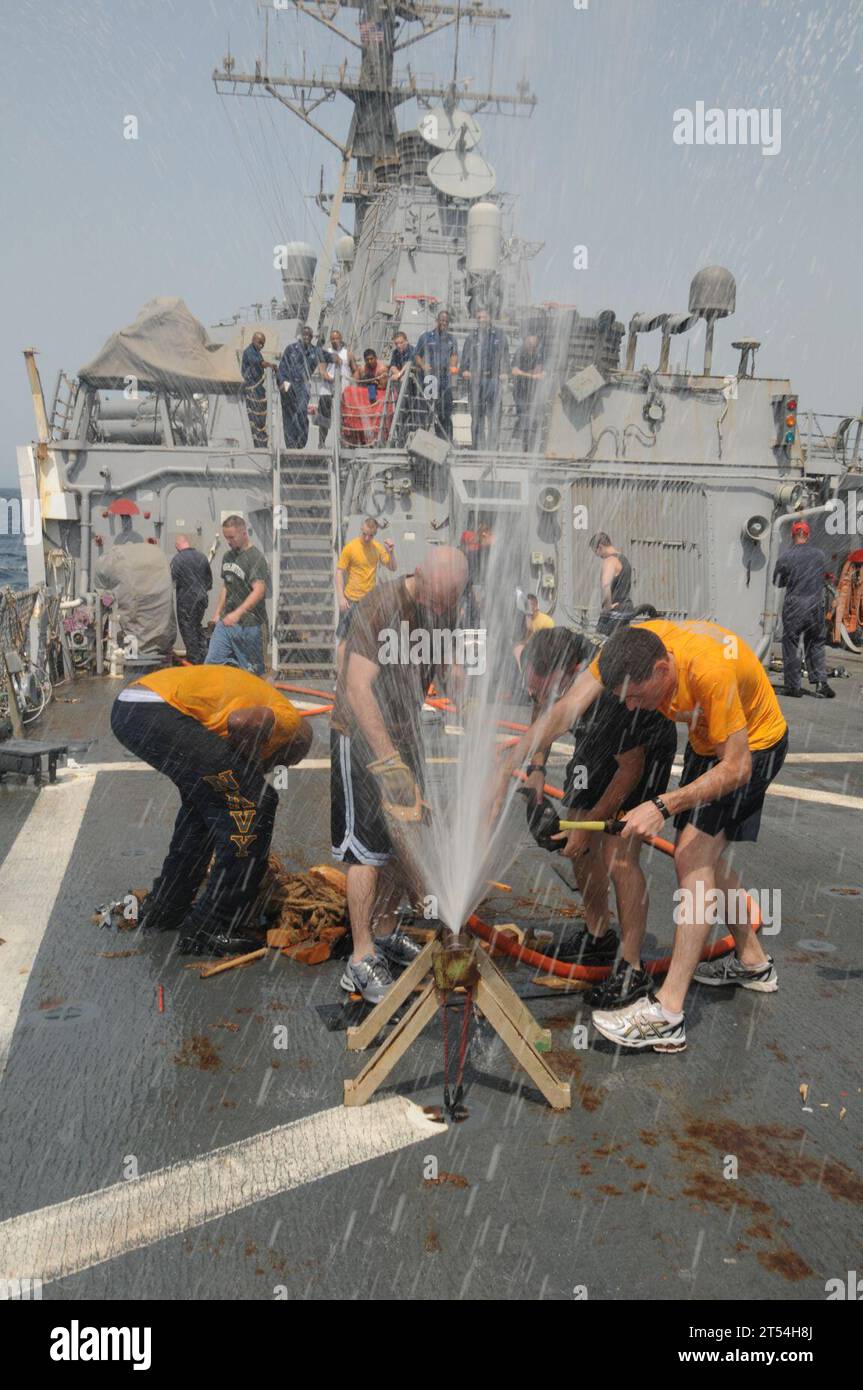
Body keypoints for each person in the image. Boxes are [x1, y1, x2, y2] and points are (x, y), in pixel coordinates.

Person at [492, 618, 788, 1053]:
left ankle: (668, 1013)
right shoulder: (626, 650)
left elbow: (738, 767)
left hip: (753, 747)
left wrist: (663, 804)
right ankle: (753, 961)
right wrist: (508, 767)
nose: (629, 706)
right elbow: (564, 709)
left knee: (691, 856)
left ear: (663, 670)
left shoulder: (710, 671)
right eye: (623, 698)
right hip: (709, 741)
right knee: (703, 853)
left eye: (636, 696)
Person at [330, 546, 469, 1003]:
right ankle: (360, 958)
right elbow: (357, 687)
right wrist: (388, 762)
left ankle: (386, 930)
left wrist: (466, 698)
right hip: (361, 736)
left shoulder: (444, 609)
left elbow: (445, 667)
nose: (443, 608)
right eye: (439, 597)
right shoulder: (380, 607)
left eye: (450, 600)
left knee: (398, 840)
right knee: (365, 849)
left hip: (405, 737)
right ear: (419, 574)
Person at [521, 629, 678, 1007]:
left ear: (570, 673)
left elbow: (629, 769)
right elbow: (543, 710)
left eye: (548, 689)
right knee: (577, 837)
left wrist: (592, 823)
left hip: (641, 750)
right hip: (596, 742)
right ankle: (598, 936)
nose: (541, 696)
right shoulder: (551, 676)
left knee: (618, 854)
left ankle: (631, 966)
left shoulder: (608, 694)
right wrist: (537, 767)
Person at [110, 666, 312, 956]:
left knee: (205, 803)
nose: (275, 768)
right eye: (284, 763)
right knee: (254, 802)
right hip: (156, 710)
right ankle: (214, 924)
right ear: (290, 748)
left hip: (133, 707)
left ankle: (167, 907)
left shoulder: (267, 700)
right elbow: (241, 721)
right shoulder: (290, 724)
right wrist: (250, 771)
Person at [774, 519, 835, 699]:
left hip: (795, 605)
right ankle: (821, 683)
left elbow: (778, 582)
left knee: (791, 644)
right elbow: (826, 575)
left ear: (793, 535)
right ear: (807, 535)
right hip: (815, 605)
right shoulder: (819, 555)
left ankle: (793, 687)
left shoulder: (786, 556)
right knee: (815, 642)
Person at [206, 516, 269, 675]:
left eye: (232, 537)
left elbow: (259, 590)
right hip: (226, 624)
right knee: (212, 665)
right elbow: (226, 586)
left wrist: (238, 613)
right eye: (226, 537)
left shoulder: (255, 558)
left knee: (252, 674)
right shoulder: (228, 557)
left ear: (244, 533)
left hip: (250, 625)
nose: (228, 541)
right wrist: (217, 614)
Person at [335, 517, 396, 670]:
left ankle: (362, 674)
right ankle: (340, 674)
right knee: (344, 639)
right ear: (361, 530)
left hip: (369, 602)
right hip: (351, 601)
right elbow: (339, 572)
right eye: (365, 534)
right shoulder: (350, 547)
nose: (367, 538)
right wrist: (341, 597)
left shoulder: (377, 548)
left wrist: (391, 553)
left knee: (369, 640)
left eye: (371, 535)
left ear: (375, 534)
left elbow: (393, 567)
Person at [460, 309, 510, 451]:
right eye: (478, 318)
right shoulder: (472, 337)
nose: (480, 320)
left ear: (489, 318)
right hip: (477, 381)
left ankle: (493, 449)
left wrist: (505, 371)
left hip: (494, 380)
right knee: (476, 416)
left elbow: (505, 356)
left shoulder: (499, 335)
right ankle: (477, 448)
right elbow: (465, 358)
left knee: (494, 416)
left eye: (483, 317)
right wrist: (464, 370)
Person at [276, 326, 325, 448]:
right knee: (288, 415)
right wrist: (282, 383)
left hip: (303, 385)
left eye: (309, 335)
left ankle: (301, 442)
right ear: (301, 335)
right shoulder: (291, 349)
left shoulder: (314, 351)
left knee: (301, 413)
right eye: (304, 335)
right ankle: (291, 445)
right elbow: (282, 367)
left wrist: (322, 341)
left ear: (312, 337)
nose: (306, 337)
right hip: (289, 384)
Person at [415, 310, 459, 441]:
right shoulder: (426, 337)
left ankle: (445, 440)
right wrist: (423, 366)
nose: (444, 323)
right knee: (427, 410)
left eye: (446, 321)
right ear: (437, 321)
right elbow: (417, 355)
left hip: (445, 378)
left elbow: (454, 355)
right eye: (442, 320)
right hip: (430, 378)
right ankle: (423, 439)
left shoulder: (452, 339)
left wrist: (453, 365)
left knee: (445, 412)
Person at [171, 535, 212, 664]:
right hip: (201, 599)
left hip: (186, 602)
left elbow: (170, 581)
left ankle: (194, 661)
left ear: (177, 546)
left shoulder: (178, 559)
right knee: (197, 627)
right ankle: (204, 657)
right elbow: (209, 582)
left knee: (188, 630)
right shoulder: (202, 557)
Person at [317, 329, 358, 446]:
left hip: (344, 389)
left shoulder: (348, 354)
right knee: (324, 417)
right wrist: (330, 379)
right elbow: (322, 370)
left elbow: (355, 370)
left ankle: (343, 442)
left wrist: (352, 383)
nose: (335, 341)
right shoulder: (326, 353)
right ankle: (321, 442)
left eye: (337, 338)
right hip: (327, 389)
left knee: (344, 416)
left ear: (341, 339)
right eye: (333, 339)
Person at [589, 532, 634, 635]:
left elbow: (606, 585)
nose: (598, 556)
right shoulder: (624, 559)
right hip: (625, 610)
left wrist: (608, 606)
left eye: (596, 552)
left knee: (599, 641)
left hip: (614, 613)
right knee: (620, 641)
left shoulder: (610, 560)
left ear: (600, 547)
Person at [511, 333, 546, 451]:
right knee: (523, 415)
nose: (532, 341)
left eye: (534, 339)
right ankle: (523, 446)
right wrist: (531, 375)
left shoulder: (540, 353)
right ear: (526, 339)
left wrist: (524, 373)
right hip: (520, 390)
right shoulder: (519, 352)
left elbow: (540, 372)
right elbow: (514, 370)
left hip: (534, 392)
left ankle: (528, 446)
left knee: (533, 418)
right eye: (530, 339)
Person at [241, 331, 272, 448]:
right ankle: (256, 443)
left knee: (260, 419)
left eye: (263, 344)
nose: (261, 346)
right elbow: (258, 362)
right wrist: (271, 366)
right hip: (251, 389)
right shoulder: (249, 352)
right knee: (254, 418)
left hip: (258, 389)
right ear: (253, 340)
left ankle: (261, 443)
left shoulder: (257, 352)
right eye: (260, 343)